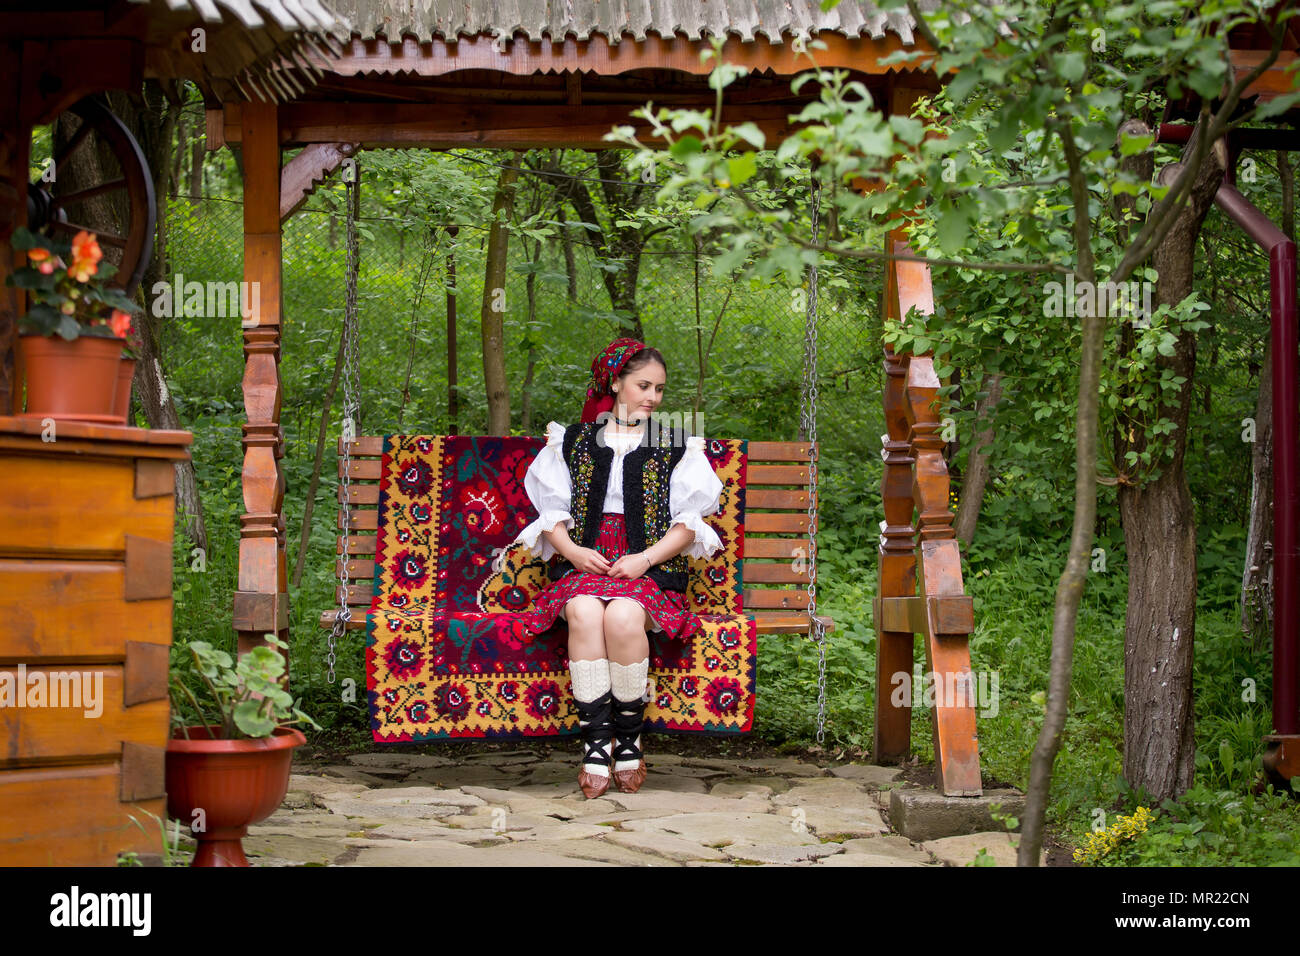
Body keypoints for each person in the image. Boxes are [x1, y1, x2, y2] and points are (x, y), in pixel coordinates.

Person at [507, 338, 725, 799]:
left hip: (650, 562)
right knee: (586, 612)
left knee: (623, 616)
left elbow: (688, 524)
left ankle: (628, 740)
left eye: (660, 390)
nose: (652, 397)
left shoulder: (677, 442)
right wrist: (573, 553)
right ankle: (594, 747)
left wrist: (645, 558)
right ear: (615, 383)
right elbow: (551, 515)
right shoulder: (572, 441)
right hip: (586, 559)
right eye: (643, 385)